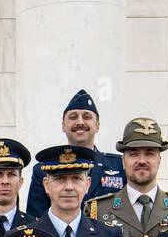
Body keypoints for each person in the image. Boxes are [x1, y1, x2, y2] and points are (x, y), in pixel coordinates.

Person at [24, 89, 124, 217]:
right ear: (63, 126)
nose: (80, 122)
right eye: (73, 117)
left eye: (87, 117)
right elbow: (36, 219)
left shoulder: (118, 166)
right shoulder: (42, 169)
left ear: (98, 125)